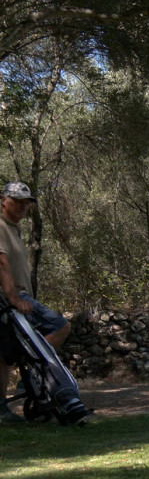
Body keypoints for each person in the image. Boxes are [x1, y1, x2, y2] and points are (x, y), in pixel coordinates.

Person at [0, 182, 71, 424]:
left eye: (26, 203)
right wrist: (14, 298)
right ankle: (31, 375)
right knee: (60, 325)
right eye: (17, 201)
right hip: (12, 299)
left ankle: (2, 410)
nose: (22, 207)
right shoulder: (0, 226)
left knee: (3, 356)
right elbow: (2, 264)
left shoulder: (14, 229)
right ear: (3, 201)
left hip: (16, 298)